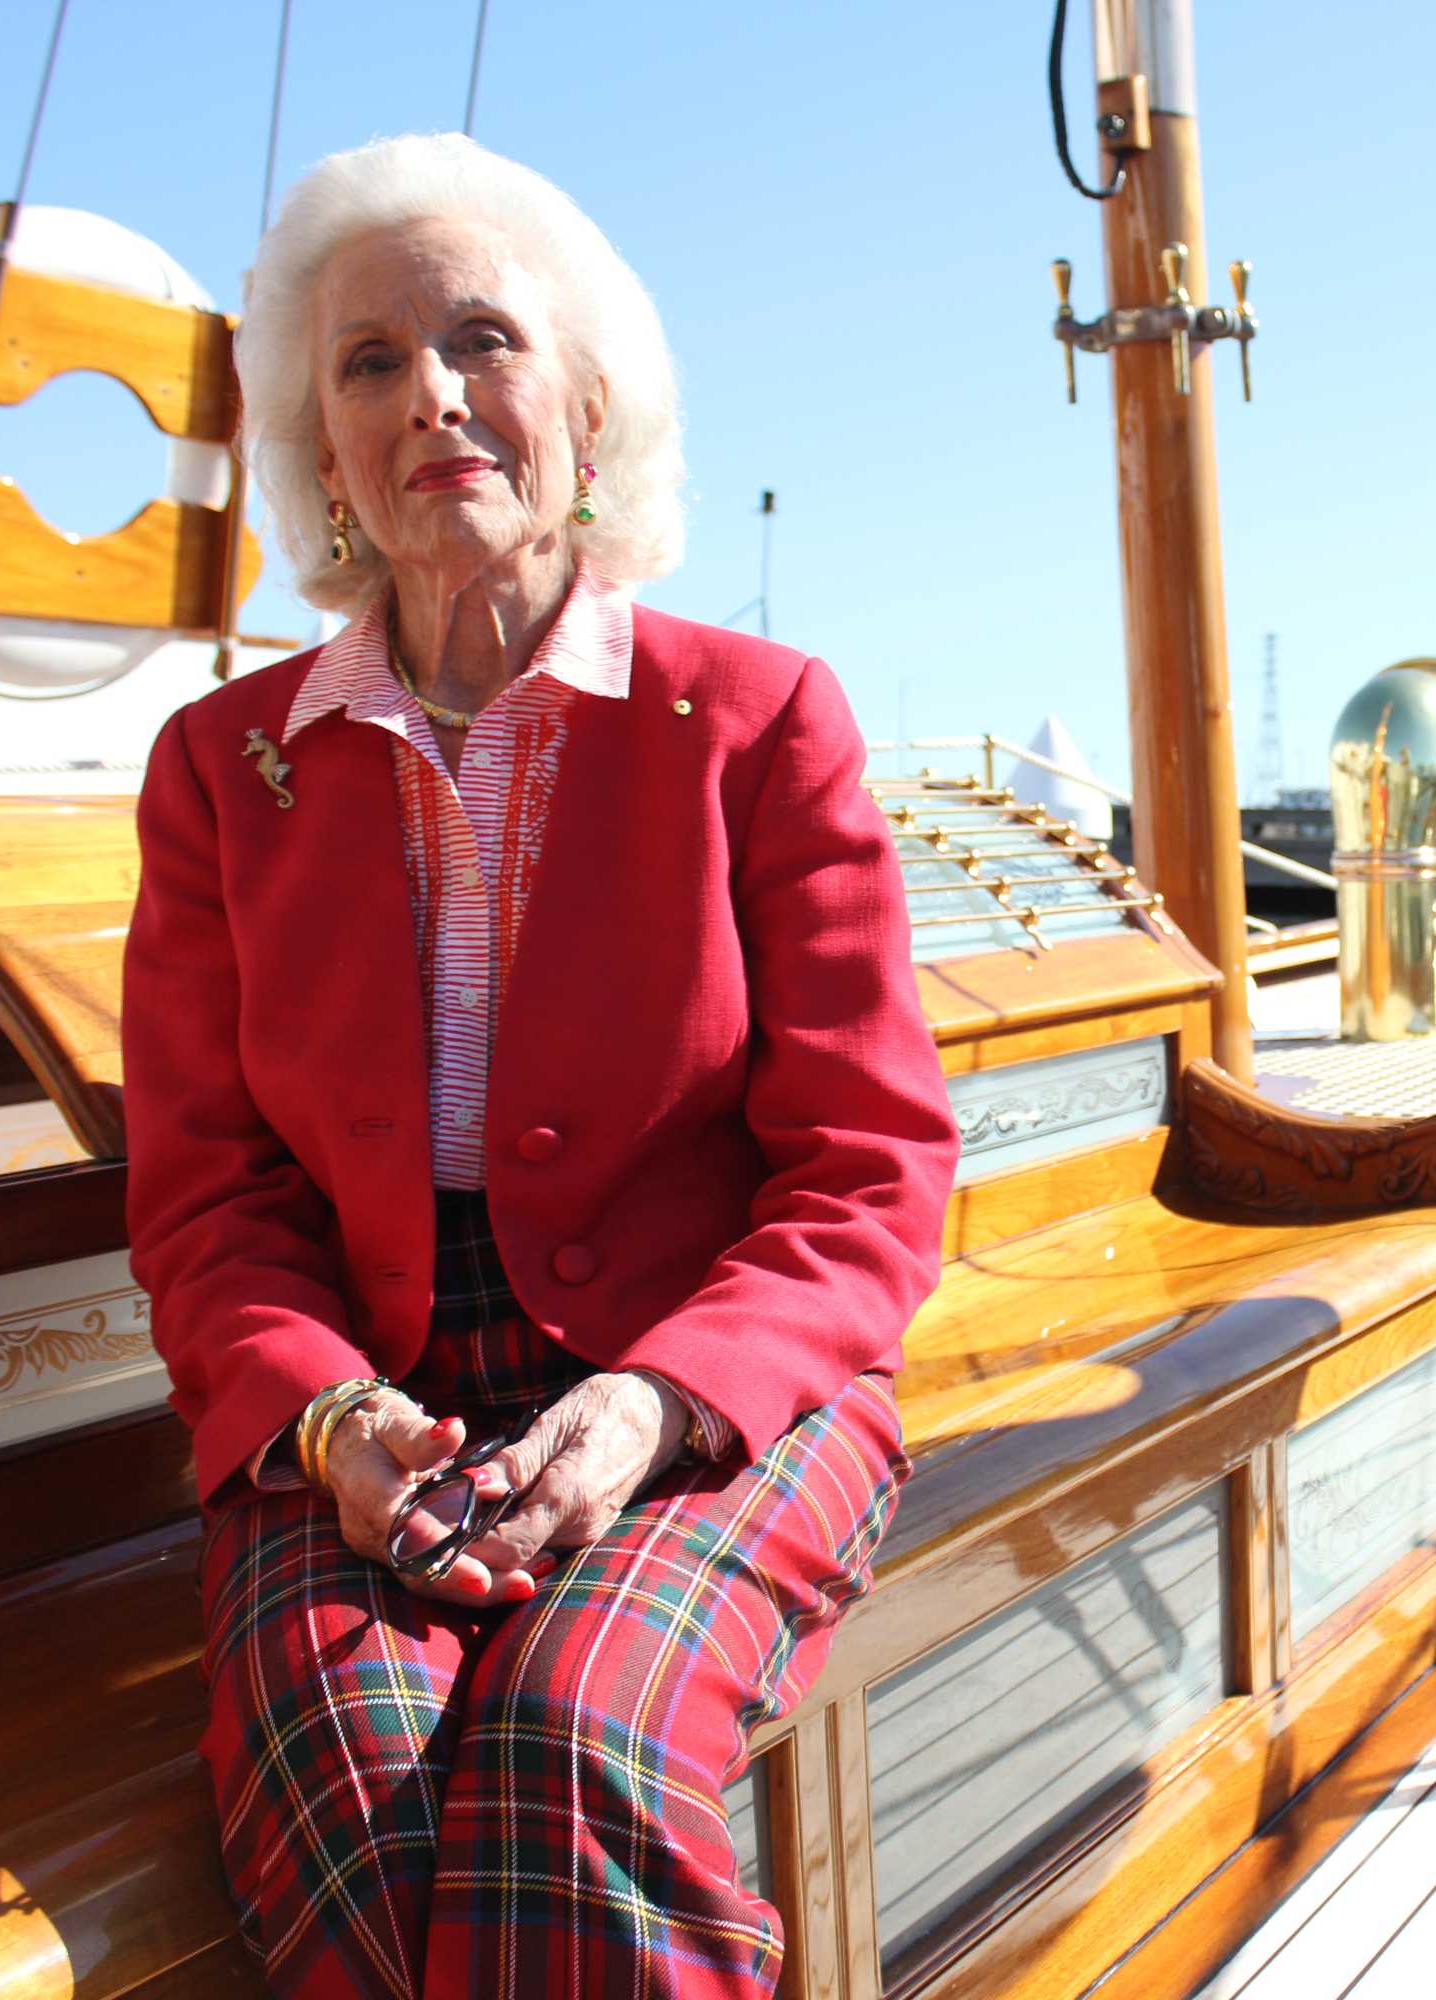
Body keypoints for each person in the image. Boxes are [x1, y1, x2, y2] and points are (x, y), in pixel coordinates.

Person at [122, 131, 958, 1998]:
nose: (430, 393)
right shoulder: (220, 771)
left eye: (482, 339)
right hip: (362, 1407)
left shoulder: (758, 720)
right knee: (354, 1786)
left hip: (718, 1380)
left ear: (588, 408)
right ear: (324, 458)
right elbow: (207, 1201)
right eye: (370, 362)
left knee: (573, 1741)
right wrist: (330, 1423)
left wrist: (653, 1403)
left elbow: (867, 1170)